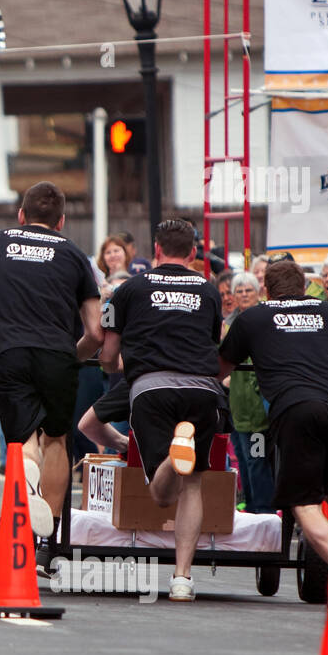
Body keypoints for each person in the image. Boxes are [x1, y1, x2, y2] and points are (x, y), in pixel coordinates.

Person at [0, 181, 103, 535]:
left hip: (5, 351)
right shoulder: (73, 255)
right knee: (55, 439)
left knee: (22, 439)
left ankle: (28, 494)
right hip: (56, 354)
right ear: (61, 221)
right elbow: (97, 332)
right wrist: (74, 356)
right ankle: (49, 532)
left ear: (21, 215)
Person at [100, 218, 224, 602]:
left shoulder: (130, 288)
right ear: (193, 253)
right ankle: (183, 577)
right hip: (203, 390)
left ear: (155, 250)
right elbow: (214, 341)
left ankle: (173, 456)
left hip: (152, 389)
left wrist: (115, 365)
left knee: (161, 496)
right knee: (193, 485)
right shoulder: (208, 289)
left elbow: (108, 356)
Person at [218, 260, 328, 569]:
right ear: (304, 287)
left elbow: (219, 370)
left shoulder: (253, 317)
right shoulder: (327, 312)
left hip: (298, 409)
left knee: (304, 504)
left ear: (265, 289)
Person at [225, 272, 273, 514]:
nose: (243, 295)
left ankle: (264, 511)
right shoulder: (227, 325)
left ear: (259, 292)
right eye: (239, 291)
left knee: (257, 461)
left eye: (248, 290)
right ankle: (252, 507)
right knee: (243, 462)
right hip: (236, 407)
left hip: (256, 410)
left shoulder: (264, 321)